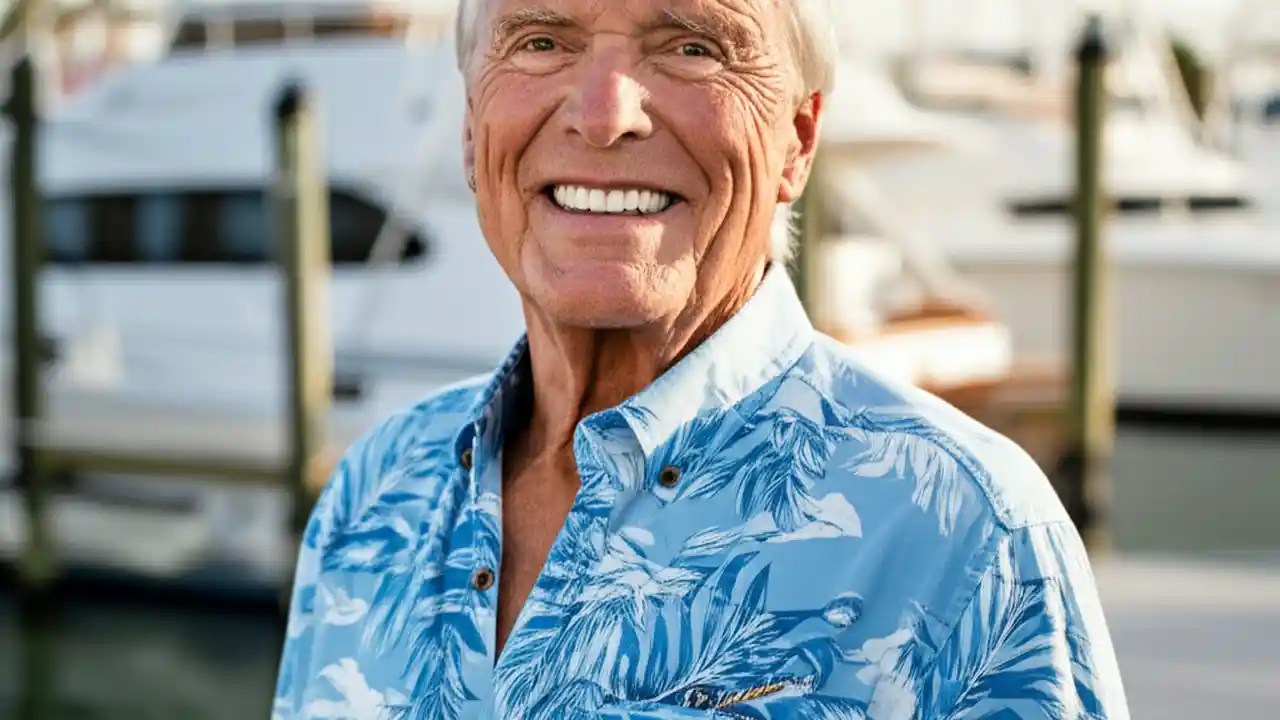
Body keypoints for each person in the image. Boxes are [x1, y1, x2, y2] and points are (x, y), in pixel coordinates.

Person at [274, 0, 1130, 717]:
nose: (605, 113)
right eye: (540, 41)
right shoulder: (378, 486)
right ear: (470, 128)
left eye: (692, 47)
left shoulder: (966, 531)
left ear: (798, 139)